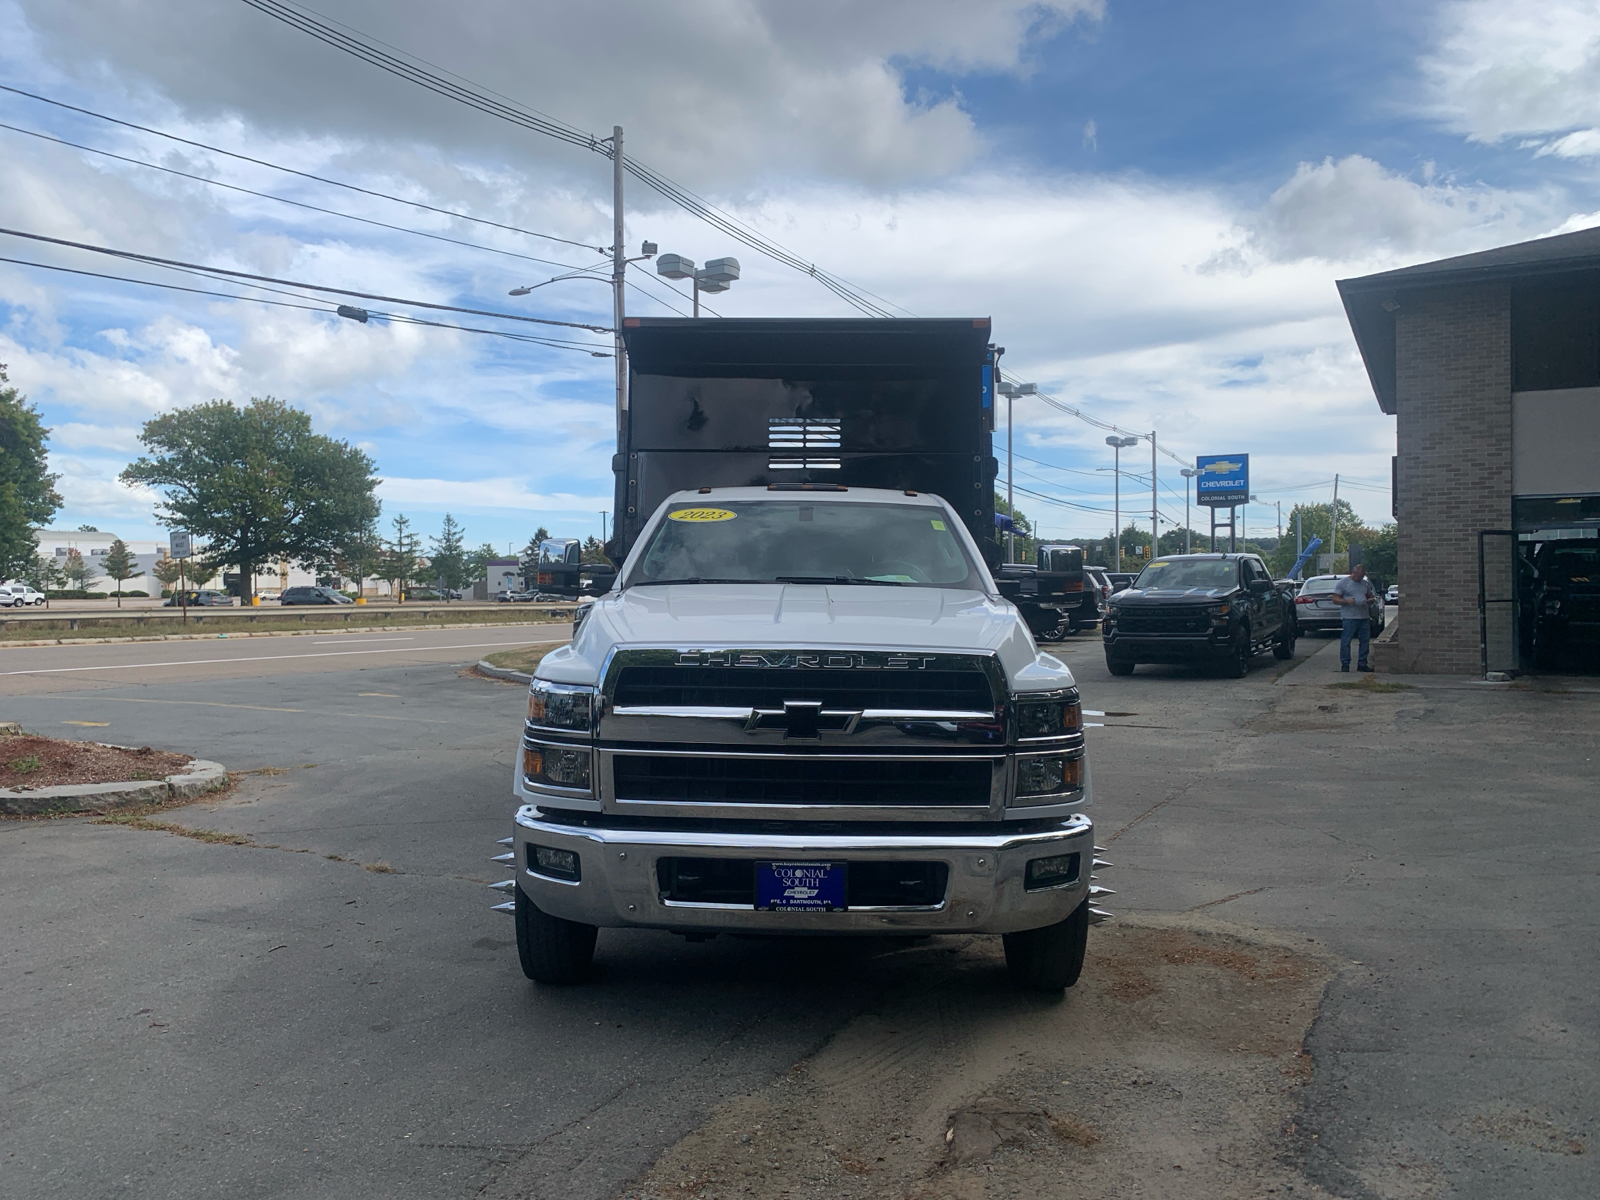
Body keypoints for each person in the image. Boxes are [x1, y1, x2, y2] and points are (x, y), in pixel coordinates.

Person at [1334, 564, 1377, 673]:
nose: (1360, 578)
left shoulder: (1364, 584)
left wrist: (1371, 599)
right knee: (1346, 640)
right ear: (1353, 573)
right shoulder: (1343, 583)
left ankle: (1362, 663)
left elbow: (1369, 595)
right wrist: (1346, 601)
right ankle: (1345, 664)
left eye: (1362, 576)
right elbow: (1335, 599)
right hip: (1349, 616)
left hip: (1364, 616)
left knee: (1365, 640)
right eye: (1358, 576)